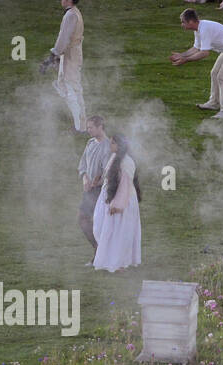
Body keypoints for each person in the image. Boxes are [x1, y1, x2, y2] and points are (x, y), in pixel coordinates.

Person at [171, 9, 223, 119]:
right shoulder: (198, 29)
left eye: (183, 22)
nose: (182, 25)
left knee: (222, 77)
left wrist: (186, 60)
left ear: (191, 21)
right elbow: (196, 48)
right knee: (214, 73)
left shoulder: (204, 29)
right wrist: (182, 55)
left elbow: (204, 53)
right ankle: (214, 103)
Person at [92, 134, 143, 273]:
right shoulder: (115, 158)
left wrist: (117, 205)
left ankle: (119, 262)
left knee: (120, 232)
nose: (110, 145)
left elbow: (124, 185)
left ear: (119, 146)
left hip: (122, 200)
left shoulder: (126, 162)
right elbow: (111, 178)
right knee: (101, 228)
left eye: (113, 143)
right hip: (110, 197)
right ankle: (110, 258)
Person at [76, 115, 112, 264]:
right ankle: (98, 248)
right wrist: (85, 179)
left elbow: (107, 171)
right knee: (82, 218)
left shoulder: (108, 145)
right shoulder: (90, 143)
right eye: (88, 127)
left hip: (101, 190)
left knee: (100, 223)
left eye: (91, 127)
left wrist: (96, 183)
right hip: (89, 190)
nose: (88, 130)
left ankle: (103, 254)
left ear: (100, 127)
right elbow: (82, 165)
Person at [47, 0, 86, 134]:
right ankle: (78, 122)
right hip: (72, 53)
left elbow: (63, 38)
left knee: (72, 89)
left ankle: (80, 125)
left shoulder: (70, 15)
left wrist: (53, 55)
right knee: (67, 86)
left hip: (71, 55)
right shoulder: (74, 13)